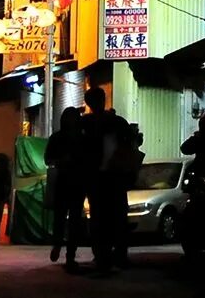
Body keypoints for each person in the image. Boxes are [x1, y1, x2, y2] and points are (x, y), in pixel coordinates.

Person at [81, 86, 127, 272]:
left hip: (96, 177)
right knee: (118, 217)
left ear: (88, 103)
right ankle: (119, 255)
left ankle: (102, 255)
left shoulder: (86, 123)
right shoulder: (116, 121)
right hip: (115, 176)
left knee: (99, 218)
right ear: (103, 99)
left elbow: (80, 149)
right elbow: (132, 141)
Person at [45, 106, 89, 271]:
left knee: (67, 220)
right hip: (71, 182)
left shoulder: (68, 137)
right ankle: (63, 249)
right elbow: (48, 158)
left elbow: (48, 158)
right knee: (68, 219)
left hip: (69, 182)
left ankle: (66, 251)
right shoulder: (77, 138)